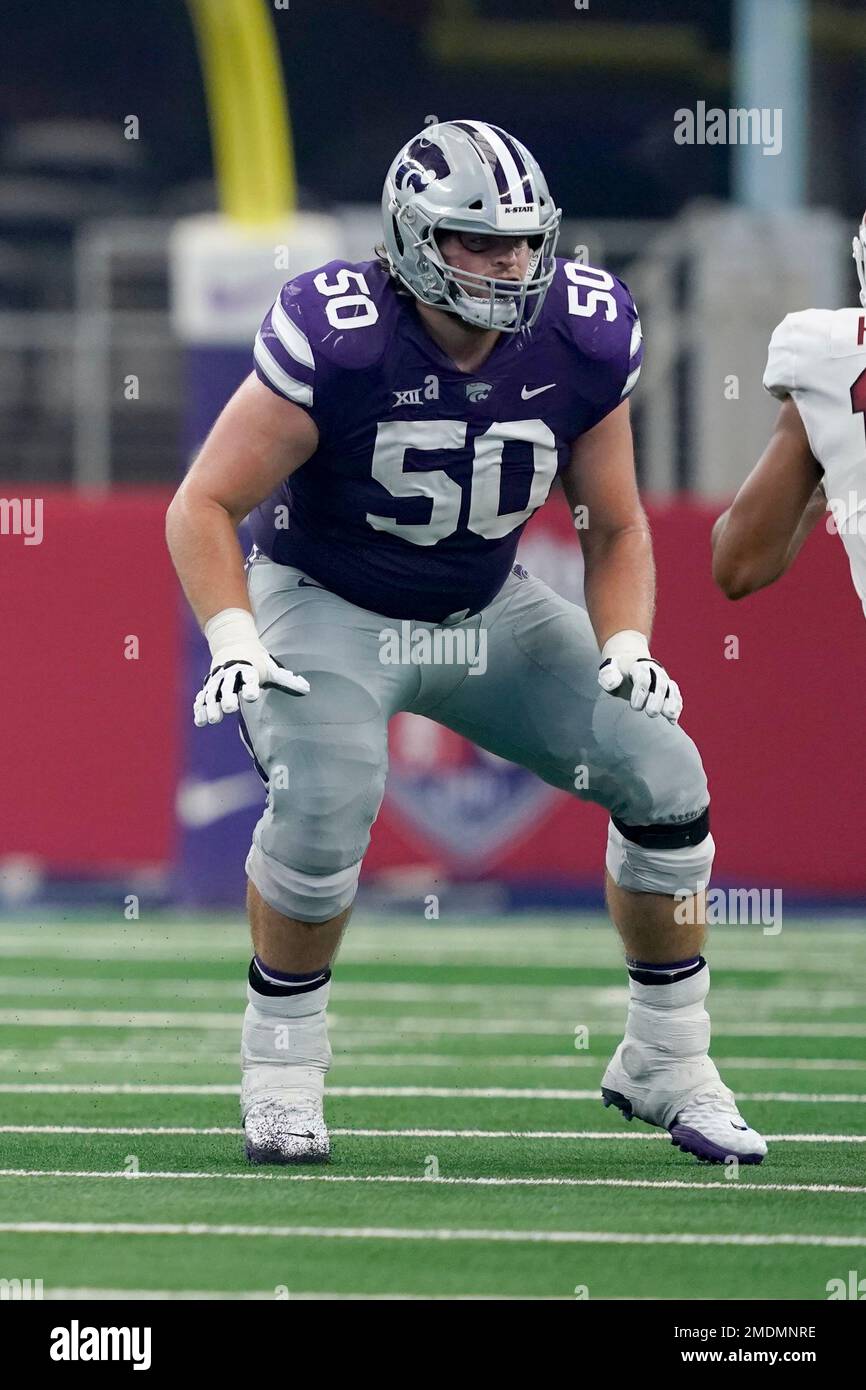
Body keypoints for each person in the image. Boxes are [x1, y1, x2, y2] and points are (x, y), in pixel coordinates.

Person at [166, 119, 765, 1167]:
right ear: (406, 237)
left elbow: (615, 524)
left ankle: (666, 1057)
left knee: (664, 771)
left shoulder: (581, 329)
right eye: (476, 242)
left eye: (523, 242)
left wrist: (625, 643)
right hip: (327, 599)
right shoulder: (340, 331)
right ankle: (282, 1066)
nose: (509, 264)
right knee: (325, 793)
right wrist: (230, 635)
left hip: (488, 608)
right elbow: (202, 504)